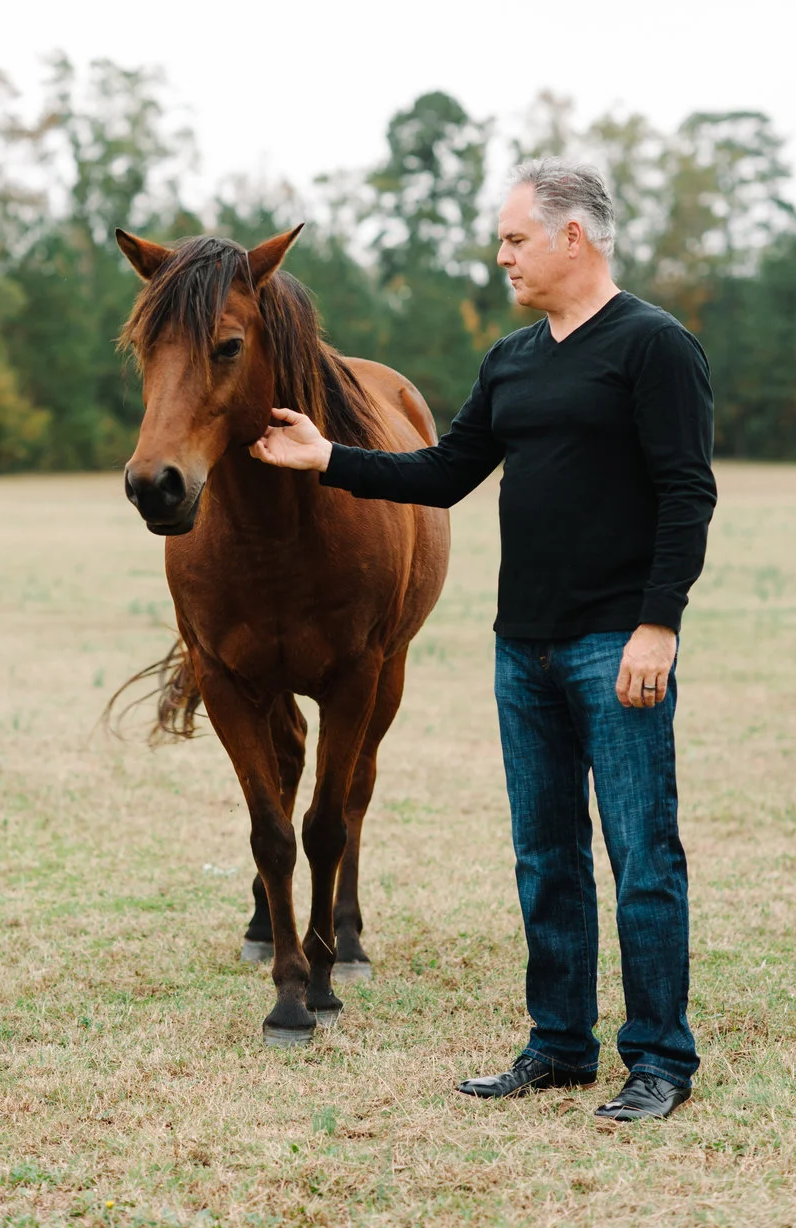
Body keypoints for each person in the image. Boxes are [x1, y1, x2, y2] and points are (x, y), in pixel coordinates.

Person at [249, 158, 717, 1122]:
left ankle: (659, 1060)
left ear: (572, 236)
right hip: (525, 649)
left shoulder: (655, 346)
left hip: (617, 644)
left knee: (642, 858)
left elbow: (687, 492)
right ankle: (560, 1046)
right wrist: (326, 457)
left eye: (514, 238)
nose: (502, 255)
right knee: (545, 857)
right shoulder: (513, 360)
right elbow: (444, 472)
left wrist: (658, 624)